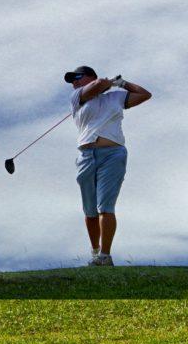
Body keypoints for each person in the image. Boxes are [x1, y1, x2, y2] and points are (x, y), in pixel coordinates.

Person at [63, 65, 152, 266]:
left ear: (90, 76)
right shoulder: (77, 97)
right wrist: (109, 83)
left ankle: (105, 255)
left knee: (106, 207)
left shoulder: (116, 97)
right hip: (86, 155)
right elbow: (99, 84)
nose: (74, 82)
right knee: (90, 210)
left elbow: (145, 94)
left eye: (78, 77)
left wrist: (122, 84)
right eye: (72, 80)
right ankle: (94, 252)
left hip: (113, 154)